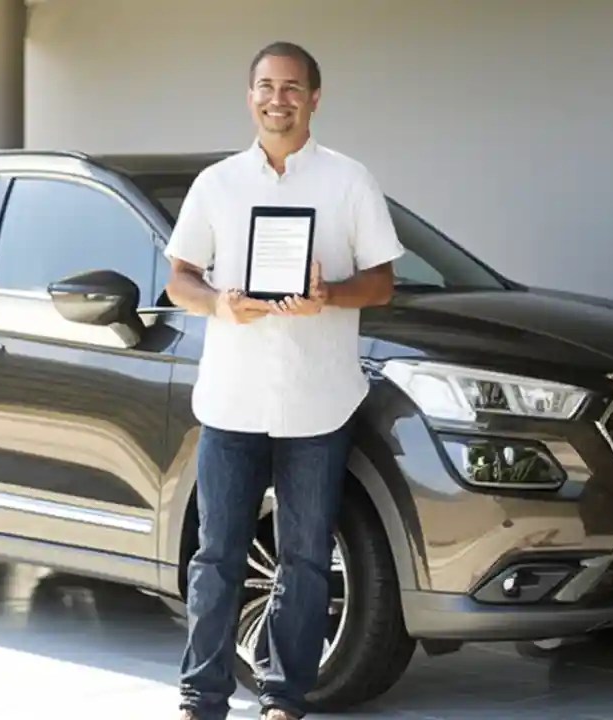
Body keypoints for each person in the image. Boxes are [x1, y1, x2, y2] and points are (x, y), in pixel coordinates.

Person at [165, 41, 405, 720]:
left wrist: (329, 295)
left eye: (293, 87)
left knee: (303, 559)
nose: (279, 99)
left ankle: (283, 697)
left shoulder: (349, 180)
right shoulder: (217, 184)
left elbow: (383, 282)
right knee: (217, 558)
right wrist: (219, 302)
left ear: (315, 98)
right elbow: (179, 277)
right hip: (231, 398)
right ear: (250, 97)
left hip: (317, 401)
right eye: (266, 86)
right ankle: (201, 697)